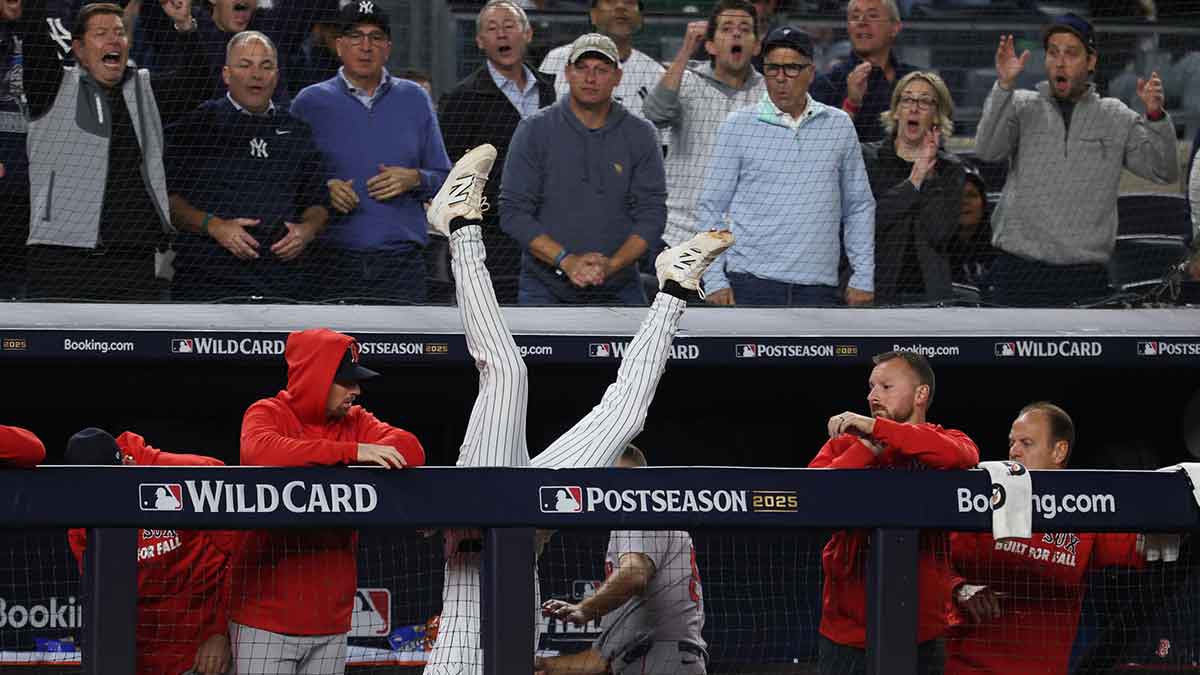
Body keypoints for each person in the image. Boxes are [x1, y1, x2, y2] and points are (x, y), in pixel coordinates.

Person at [422, 142, 732, 674]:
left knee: (508, 375)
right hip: (512, 541)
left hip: (490, 520)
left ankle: (459, 225)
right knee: (618, 415)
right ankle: (675, 290)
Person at [232, 329, 425, 674]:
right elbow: (261, 452)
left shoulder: (356, 420)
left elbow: (411, 450)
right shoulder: (269, 412)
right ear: (316, 379)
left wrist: (351, 448)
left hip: (331, 621)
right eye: (346, 382)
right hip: (265, 621)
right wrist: (351, 453)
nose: (356, 390)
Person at [973, 15, 1179, 307]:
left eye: (1071, 53)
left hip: (1085, 277)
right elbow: (986, 150)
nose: (1060, 62)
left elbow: (1164, 171)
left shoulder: (1115, 115)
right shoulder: (1020, 104)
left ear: (1091, 61)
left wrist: (1156, 117)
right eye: (1053, 52)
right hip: (1018, 272)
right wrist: (1004, 86)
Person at [18, 0, 207, 301]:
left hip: (137, 263)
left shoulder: (145, 88)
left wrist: (184, 24)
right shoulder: (51, 86)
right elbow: (33, 33)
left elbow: (198, 87)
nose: (113, 40)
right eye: (101, 33)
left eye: (119, 32)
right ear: (78, 48)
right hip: (63, 261)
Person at [946, 403, 1155, 674]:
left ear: (1059, 451)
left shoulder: (1085, 512)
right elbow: (926, 560)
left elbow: (1150, 549)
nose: (1013, 451)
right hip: (965, 666)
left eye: (1026, 443)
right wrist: (958, 587)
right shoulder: (980, 499)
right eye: (1012, 443)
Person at [809, 351, 980, 674]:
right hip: (848, 637)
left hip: (925, 634)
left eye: (886, 387)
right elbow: (814, 495)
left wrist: (878, 429)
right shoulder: (845, 445)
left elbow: (963, 455)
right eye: (871, 387)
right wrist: (867, 447)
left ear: (920, 394)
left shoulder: (946, 439)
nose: (872, 396)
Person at [697, 26, 874, 307]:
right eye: (772, 68)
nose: (781, 78)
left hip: (820, 286)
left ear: (811, 72)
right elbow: (711, 206)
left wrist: (863, 276)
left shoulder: (839, 125)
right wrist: (715, 279)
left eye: (791, 68)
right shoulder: (737, 125)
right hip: (750, 282)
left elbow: (859, 205)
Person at [291, 2, 452, 304]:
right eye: (355, 36)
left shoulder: (415, 99)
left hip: (401, 265)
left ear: (388, 47)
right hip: (329, 262)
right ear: (339, 46)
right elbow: (288, 179)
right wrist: (324, 188)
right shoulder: (309, 102)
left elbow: (445, 178)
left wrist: (414, 178)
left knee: (403, 352)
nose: (365, 46)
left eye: (375, 37)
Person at [500, 33, 666, 305]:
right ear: (567, 72)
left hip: (620, 285)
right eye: (582, 68)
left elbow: (653, 214)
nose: (590, 78)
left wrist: (611, 266)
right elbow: (513, 212)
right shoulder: (534, 130)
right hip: (544, 287)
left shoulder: (641, 134)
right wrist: (566, 261)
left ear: (617, 77)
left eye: (601, 70)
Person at [165, 30, 329, 302]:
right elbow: (169, 202)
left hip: (283, 287)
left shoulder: (297, 131)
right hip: (208, 285)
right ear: (227, 74)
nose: (257, 74)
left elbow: (318, 204)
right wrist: (215, 226)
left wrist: (307, 231)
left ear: (276, 76)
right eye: (245, 65)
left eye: (266, 66)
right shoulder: (197, 125)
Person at [64, 427, 233, 675]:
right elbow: (106, 596)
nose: (105, 497)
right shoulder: (80, 523)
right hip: (141, 656)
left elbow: (240, 552)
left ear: (126, 462)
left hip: (205, 650)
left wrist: (222, 632)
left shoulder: (177, 475)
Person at [538, 445, 707, 675]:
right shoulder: (625, 549)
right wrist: (543, 666)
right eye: (610, 478)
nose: (615, 487)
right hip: (651, 661)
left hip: (662, 661)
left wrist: (584, 610)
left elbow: (634, 575)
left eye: (622, 478)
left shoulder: (641, 508)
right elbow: (598, 662)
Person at [439, 0, 556, 304]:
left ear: (527, 33)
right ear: (480, 41)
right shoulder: (460, 99)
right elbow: (453, 172)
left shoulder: (552, 92)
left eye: (509, 26)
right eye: (492, 29)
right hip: (492, 238)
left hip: (551, 234)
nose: (502, 34)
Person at [643, 0, 765, 249]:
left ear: (756, 45)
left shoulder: (769, 93)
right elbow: (655, 112)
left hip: (746, 241)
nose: (736, 33)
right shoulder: (685, 81)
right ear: (709, 45)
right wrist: (686, 50)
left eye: (745, 28)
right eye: (726, 28)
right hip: (681, 234)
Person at [861, 70, 964, 305]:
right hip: (874, 290)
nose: (914, 108)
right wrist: (915, 180)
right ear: (896, 111)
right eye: (907, 100)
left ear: (937, 116)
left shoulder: (950, 169)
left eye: (925, 102)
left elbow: (939, 233)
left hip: (929, 295)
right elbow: (869, 221)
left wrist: (929, 176)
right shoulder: (867, 158)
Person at [537, 0, 664, 137]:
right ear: (593, 15)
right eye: (610, 1)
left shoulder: (655, 72)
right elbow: (541, 122)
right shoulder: (557, 58)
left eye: (629, 1)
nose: (620, 7)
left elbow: (661, 140)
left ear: (640, 18)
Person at [810, 0, 916, 144]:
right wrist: (851, 103)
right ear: (848, 27)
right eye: (855, 17)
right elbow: (818, 148)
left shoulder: (914, 82)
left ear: (894, 28)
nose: (862, 22)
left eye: (872, 16)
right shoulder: (827, 83)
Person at [948, 166, 995, 288]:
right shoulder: (933, 250)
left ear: (983, 204)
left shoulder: (998, 246)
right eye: (957, 195)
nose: (964, 201)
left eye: (971, 195)